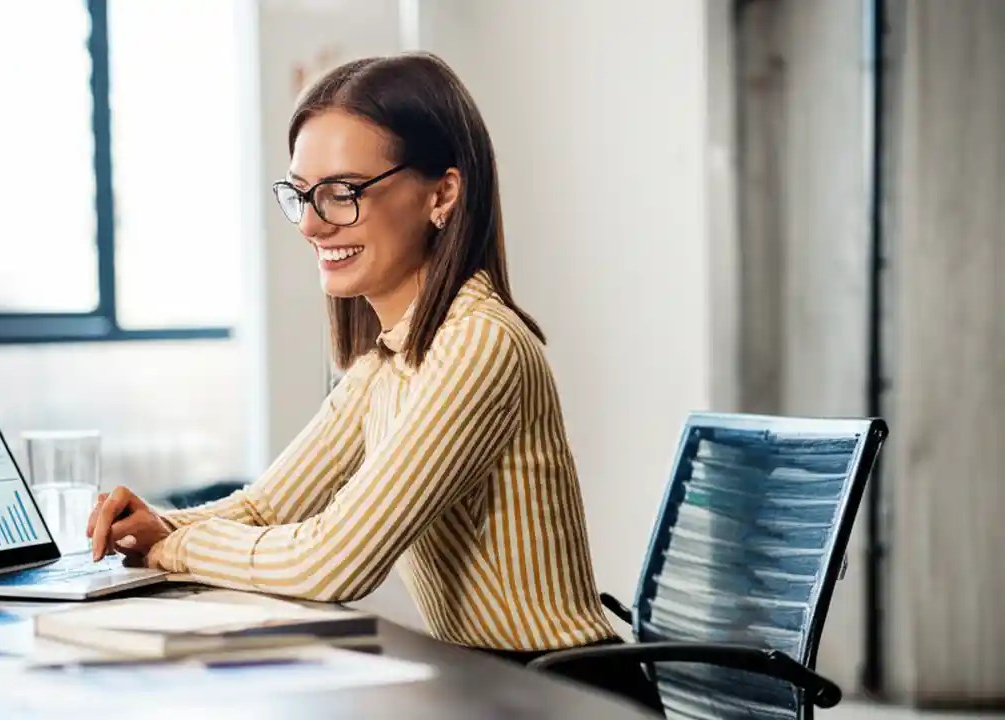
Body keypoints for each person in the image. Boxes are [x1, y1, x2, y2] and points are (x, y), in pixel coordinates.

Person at [87, 52, 660, 712]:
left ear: (442, 194)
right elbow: (267, 509)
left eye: (344, 191)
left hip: (567, 696)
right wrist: (151, 526)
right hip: (489, 683)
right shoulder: (390, 357)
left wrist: (172, 550)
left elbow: (333, 564)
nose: (311, 222)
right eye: (302, 193)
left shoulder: (479, 342)